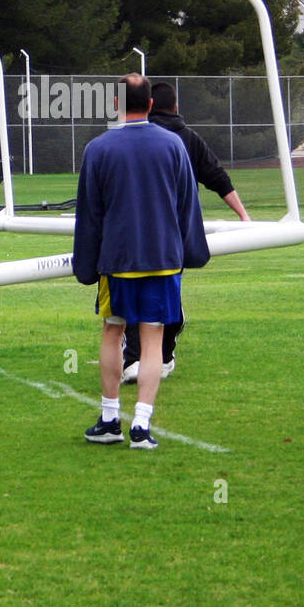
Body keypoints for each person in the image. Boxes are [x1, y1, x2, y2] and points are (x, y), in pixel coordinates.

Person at [73, 74, 209, 450]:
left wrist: (86, 264)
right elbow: (188, 205)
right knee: (153, 342)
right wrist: (190, 251)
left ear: (116, 104)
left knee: (112, 333)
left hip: (116, 264)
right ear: (150, 104)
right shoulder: (174, 146)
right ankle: (142, 427)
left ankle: (109, 418)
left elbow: (89, 216)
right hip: (163, 261)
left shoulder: (97, 149)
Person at [121, 79, 250, 383]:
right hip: (173, 238)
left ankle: (138, 359)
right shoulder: (187, 139)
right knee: (164, 295)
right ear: (175, 106)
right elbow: (217, 177)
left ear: (150, 105)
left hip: (134, 233)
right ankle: (158, 355)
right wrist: (244, 216)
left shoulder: (134, 140)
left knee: (132, 295)